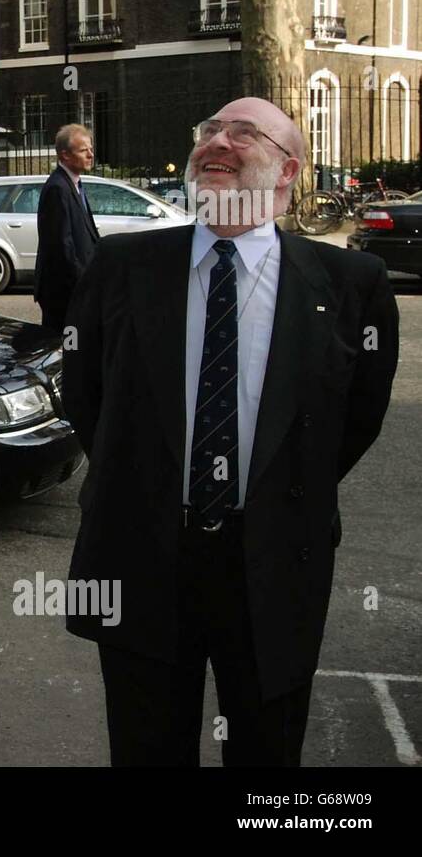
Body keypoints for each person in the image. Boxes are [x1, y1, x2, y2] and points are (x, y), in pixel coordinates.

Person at [62, 97, 399, 766]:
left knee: (267, 752)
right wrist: (150, 480)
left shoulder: (349, 283)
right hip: (143, 551)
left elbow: (357, 414)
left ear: (286, 170)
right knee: (147, 746)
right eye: (209, 129)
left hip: (275, 558)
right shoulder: (124, 265)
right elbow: (86, 393)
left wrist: (280, 486)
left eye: (243, 132)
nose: (217, 141)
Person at [34, 123, 98, 332]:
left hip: (75, 289)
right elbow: (61, 245)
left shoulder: (75, 183)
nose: (90, 154)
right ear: (65, 156)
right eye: (83, 150)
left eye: (90, 148)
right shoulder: (57, 188)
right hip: (63, 292)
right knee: (66, 352)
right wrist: (84, 282)